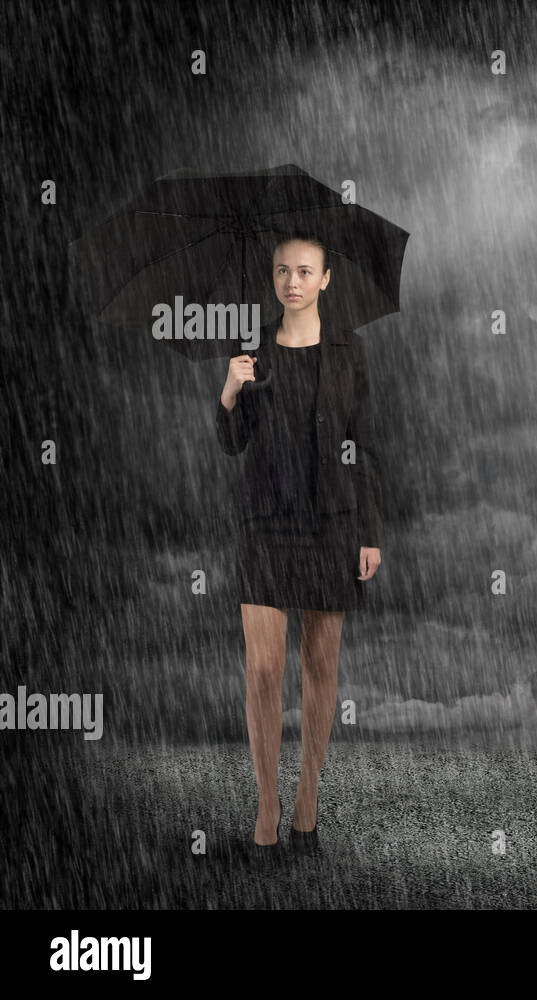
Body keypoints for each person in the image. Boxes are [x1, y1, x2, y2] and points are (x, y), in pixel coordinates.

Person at [215, 234, 383, 860]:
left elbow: (364, 445)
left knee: (319, 665)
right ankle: (266, 802)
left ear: (325, 279)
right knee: (263, 668)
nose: (291, 280)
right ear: (274, 277)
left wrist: (370, 532)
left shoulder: (350, 351)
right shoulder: (251, 351)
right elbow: (233, 443)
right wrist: (231, 392)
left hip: (331, 523)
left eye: (304, 271)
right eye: (283, 270)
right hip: (265, 523)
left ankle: (308, 803)